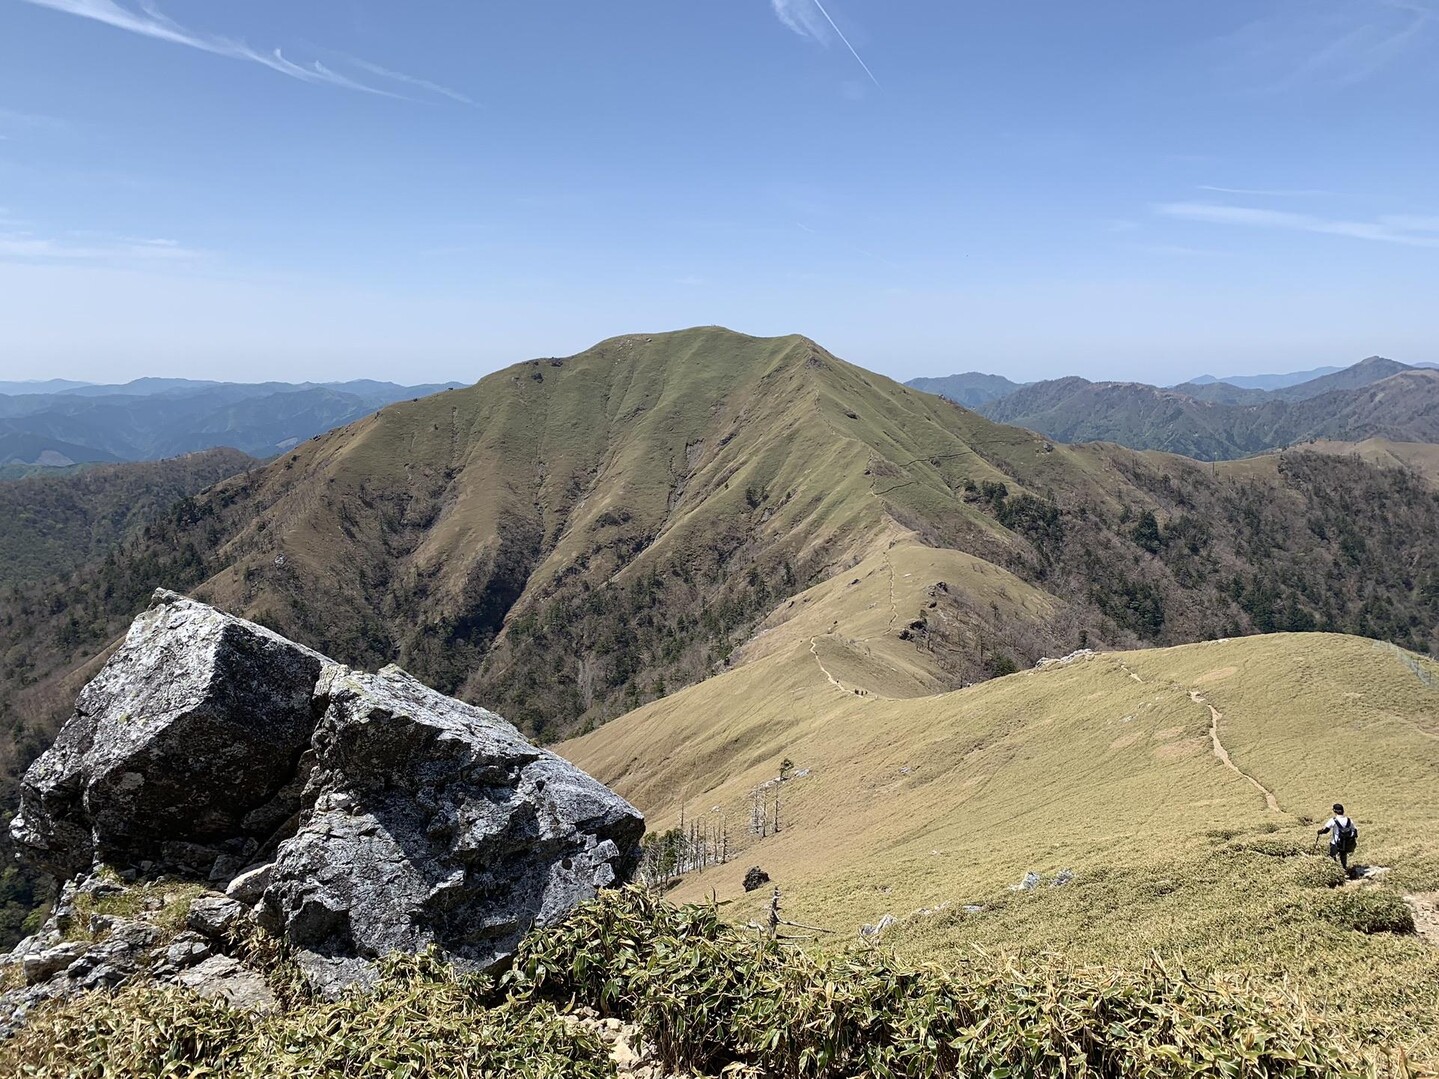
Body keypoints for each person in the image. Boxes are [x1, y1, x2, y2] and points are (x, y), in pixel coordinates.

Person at [1317, 803, 1358, 875]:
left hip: (1335, 843)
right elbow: (1354, 831)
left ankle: (1335, 871)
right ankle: (1344, 869)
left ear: (1335, 811)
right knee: (1343, 855)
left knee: (1332, 856)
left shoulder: (1333, 820)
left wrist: (1320, 832)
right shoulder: (1349, 820)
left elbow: (1326, 830)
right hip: (1346, 842)